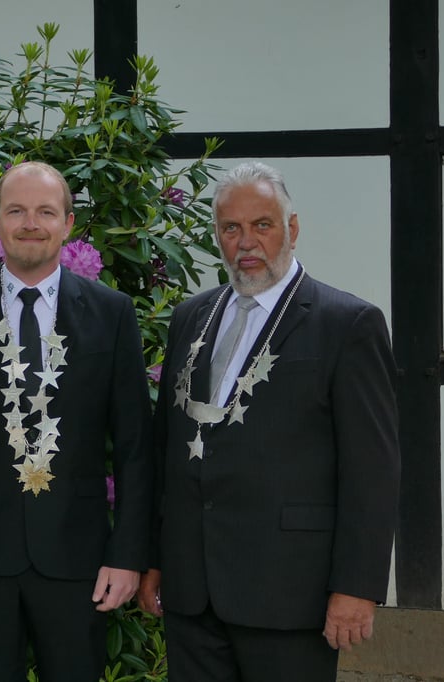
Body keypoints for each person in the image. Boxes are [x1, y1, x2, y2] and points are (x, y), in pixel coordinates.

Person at [140, 161, 401, 682]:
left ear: (292, 228)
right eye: (231, 228)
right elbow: (165, 449)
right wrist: (155, 557)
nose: (246, 242)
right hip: (193, 591)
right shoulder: (191, 317)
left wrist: (356, 587)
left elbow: (372, 470)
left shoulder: (346, 324)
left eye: (262, 225)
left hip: (289, 591)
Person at [0, 161, 153, 681]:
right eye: (16, 211)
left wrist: (128, 554)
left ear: (68, 223)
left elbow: (135, 446)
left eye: (45, 211)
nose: (30, 223)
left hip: (79, 556)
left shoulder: (111, 314)